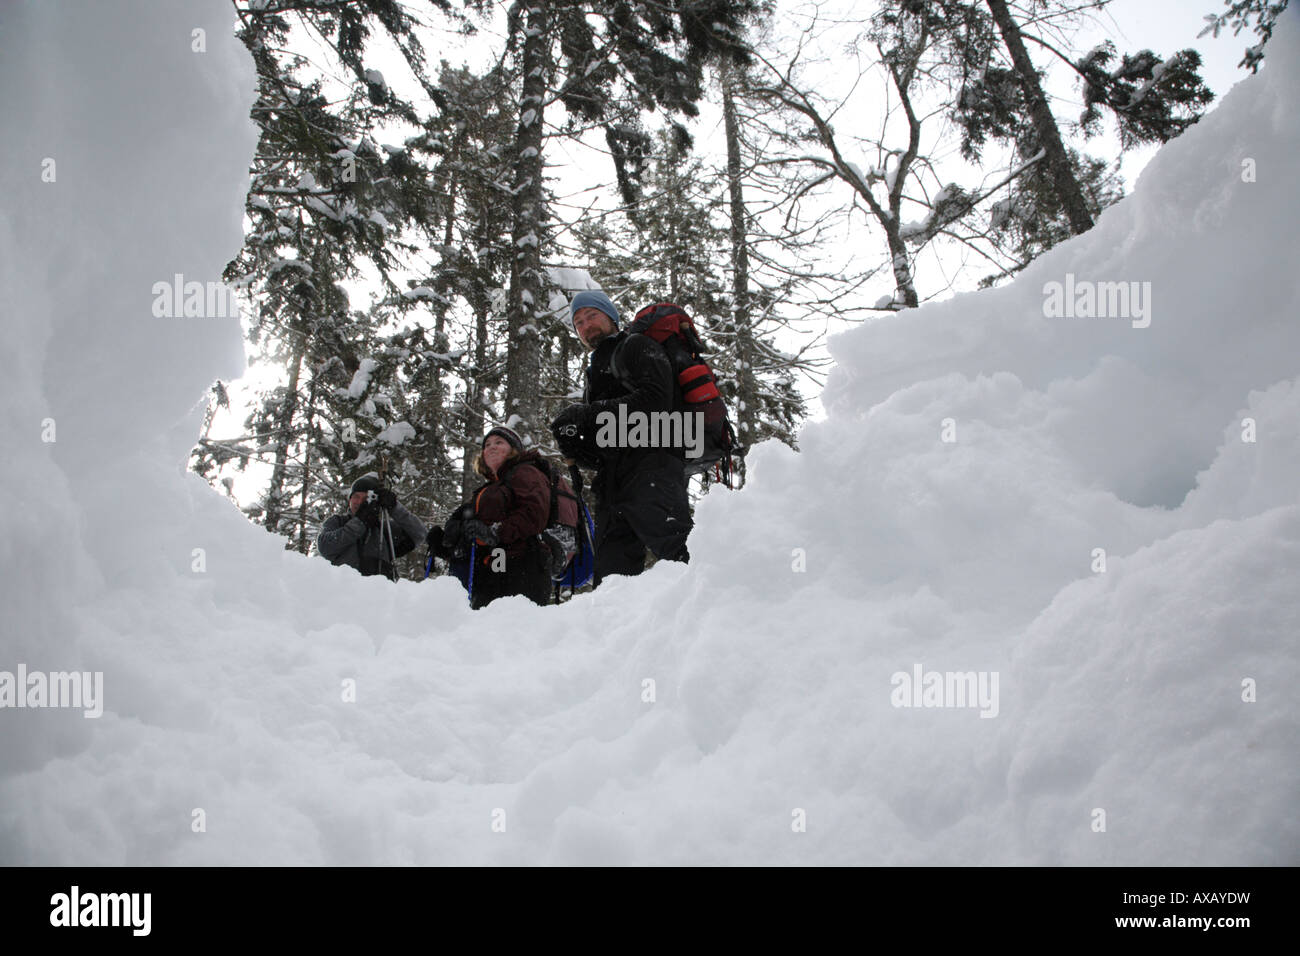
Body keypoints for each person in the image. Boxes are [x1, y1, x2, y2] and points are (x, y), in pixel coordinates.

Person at [549, 290, 692, 585]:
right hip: (612, 484)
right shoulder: (595, 373)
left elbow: (656, 401)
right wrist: (575, 443)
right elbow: (605, 441)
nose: (586, 325)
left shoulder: (637, 346)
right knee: (611, 582)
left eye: (592, 316)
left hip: (654, 465)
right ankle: (615, 631)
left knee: (679, 556)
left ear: (611, 317)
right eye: (578, 323)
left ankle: (721, 618)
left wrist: (586, 414)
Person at [430, 426, 553, 609]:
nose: (491, 447)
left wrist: (496, 532)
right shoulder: (489, 490)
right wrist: (446, 544)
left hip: (521, 568)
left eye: (499, 442)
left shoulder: (525, 472)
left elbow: (534, 513)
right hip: (492, 572)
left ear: (514, 450)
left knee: (512, 630)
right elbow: (474, 532)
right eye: (487, 445)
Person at [316, 473, 427, 580]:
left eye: (365, 499)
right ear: (349, 499)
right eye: (356, 497)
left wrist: (394, 507)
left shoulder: (384, 530)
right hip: (345, 592)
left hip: (379, 594)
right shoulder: (338, 522)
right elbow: (325, 546)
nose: (359, 502)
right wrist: (360, 522)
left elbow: (419, 533)